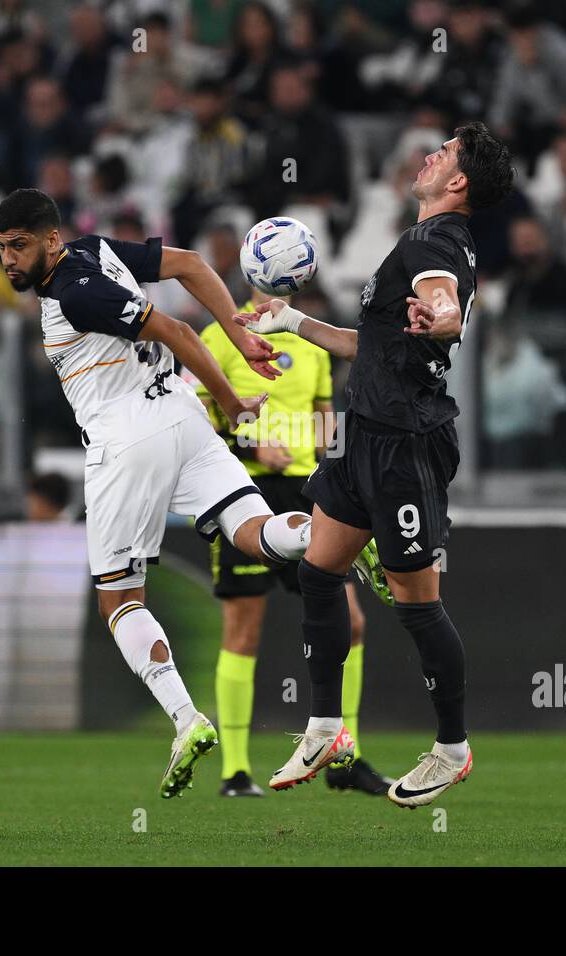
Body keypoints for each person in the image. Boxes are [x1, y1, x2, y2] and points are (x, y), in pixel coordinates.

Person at [0, 188, 386, 799]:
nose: (8, 260)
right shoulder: (97, 250)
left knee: (118, 599)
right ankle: (335, 533)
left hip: (126, 439)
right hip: (179, 415)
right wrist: (240, 333)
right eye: (1, 249)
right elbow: (192, 265)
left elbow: (171, 326)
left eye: (18, 246)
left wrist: (230, 399)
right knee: (255, 533)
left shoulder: (74, 290)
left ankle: (186, 719)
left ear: (50, 240)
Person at [239, 122, 515, 807]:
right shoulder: (424, 238)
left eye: (445, 152)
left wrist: (443, 318)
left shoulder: (435, 241)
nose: (431, 153)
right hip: (362, 431)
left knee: (418, 606)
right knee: (318, 571)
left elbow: (442, 301)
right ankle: (328, 727)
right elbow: (373, 343)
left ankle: (452, 749)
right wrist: (294, 323)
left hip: (404, 445)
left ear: (458, 183)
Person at [197, 284, 393, 798]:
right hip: (243, 489)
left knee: (350, 622)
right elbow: (195, 418)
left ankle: (343, 758)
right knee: (244, 628)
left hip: (310, 493)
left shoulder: (309, 339)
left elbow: (325, 415)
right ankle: (235, 772)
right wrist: (248, 438)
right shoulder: (218, 337)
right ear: (253, 274)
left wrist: (343, 469)